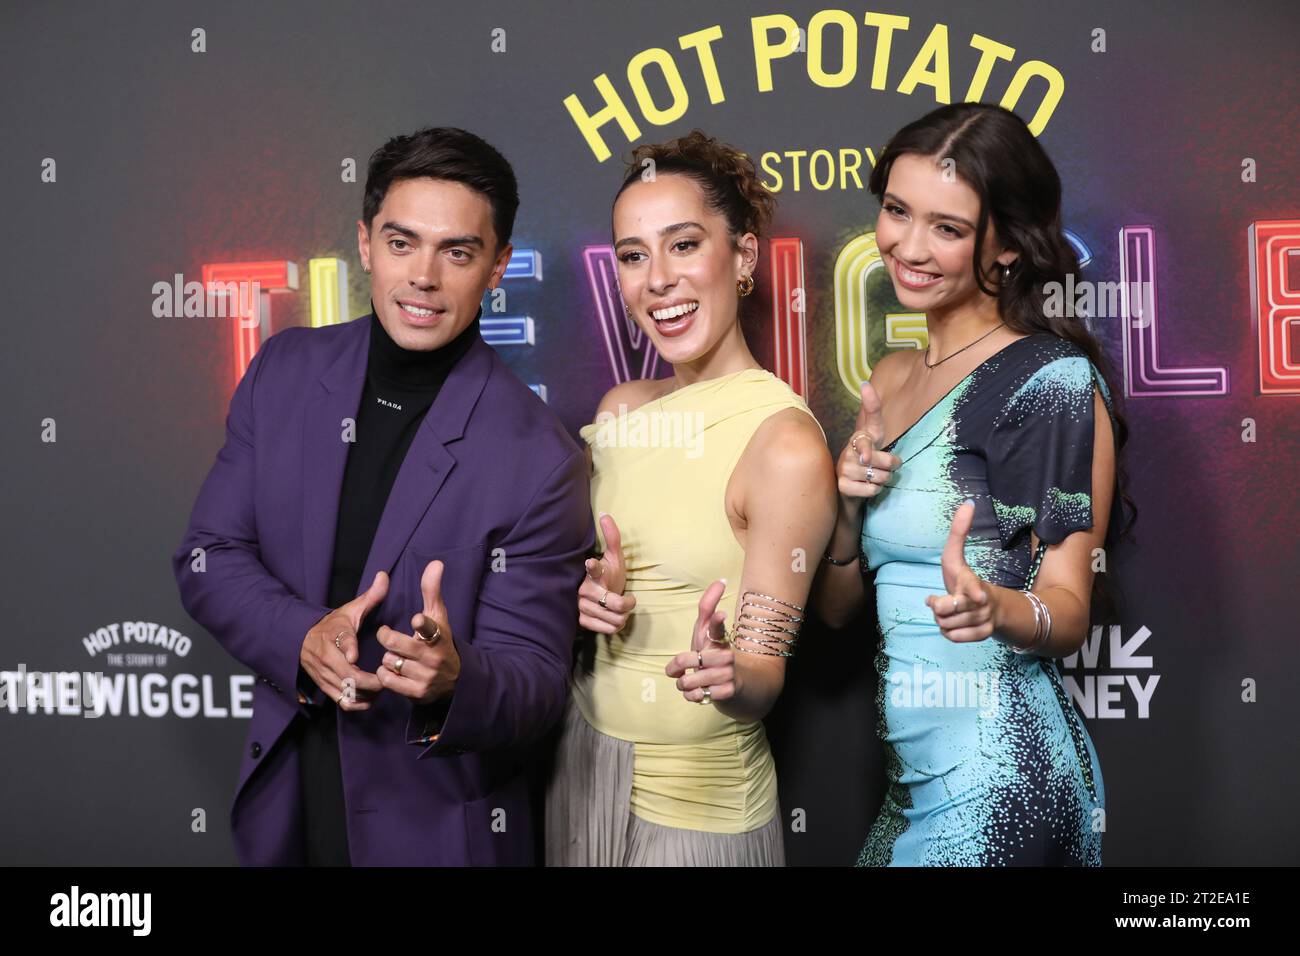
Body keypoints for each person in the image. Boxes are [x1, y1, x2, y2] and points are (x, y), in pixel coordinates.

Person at [172, 126, 593, 866]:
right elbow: (209, 556)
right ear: (366, 244)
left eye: (457, 252)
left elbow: (536, 680)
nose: (423, 276)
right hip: (287, 796)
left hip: (433, 824)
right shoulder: (285, 373)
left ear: (497, 267)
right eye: (402, 243)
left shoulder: (540, 456)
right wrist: (301, 633)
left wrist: (456, 679)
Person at [811, 103, 1136, 866]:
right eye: (896, 211)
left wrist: (998, 607)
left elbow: (1068, 610)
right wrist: (849, 513)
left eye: (947, 228)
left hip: (1004, 779)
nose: (908, 247)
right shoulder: (890, 379)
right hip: (911, 786)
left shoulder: (1049, 381)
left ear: (1009, 249)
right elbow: (835, 611)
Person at [544, 130, 838, 866]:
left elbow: (764, 676)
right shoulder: (619, 410)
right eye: (634, 256)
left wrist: (729, 672)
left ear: (741, 257)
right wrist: (587, 602)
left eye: (683, 245)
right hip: (579, 769)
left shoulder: (784, 444)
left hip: (695, 808)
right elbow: (599, 589)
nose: (658, 280)